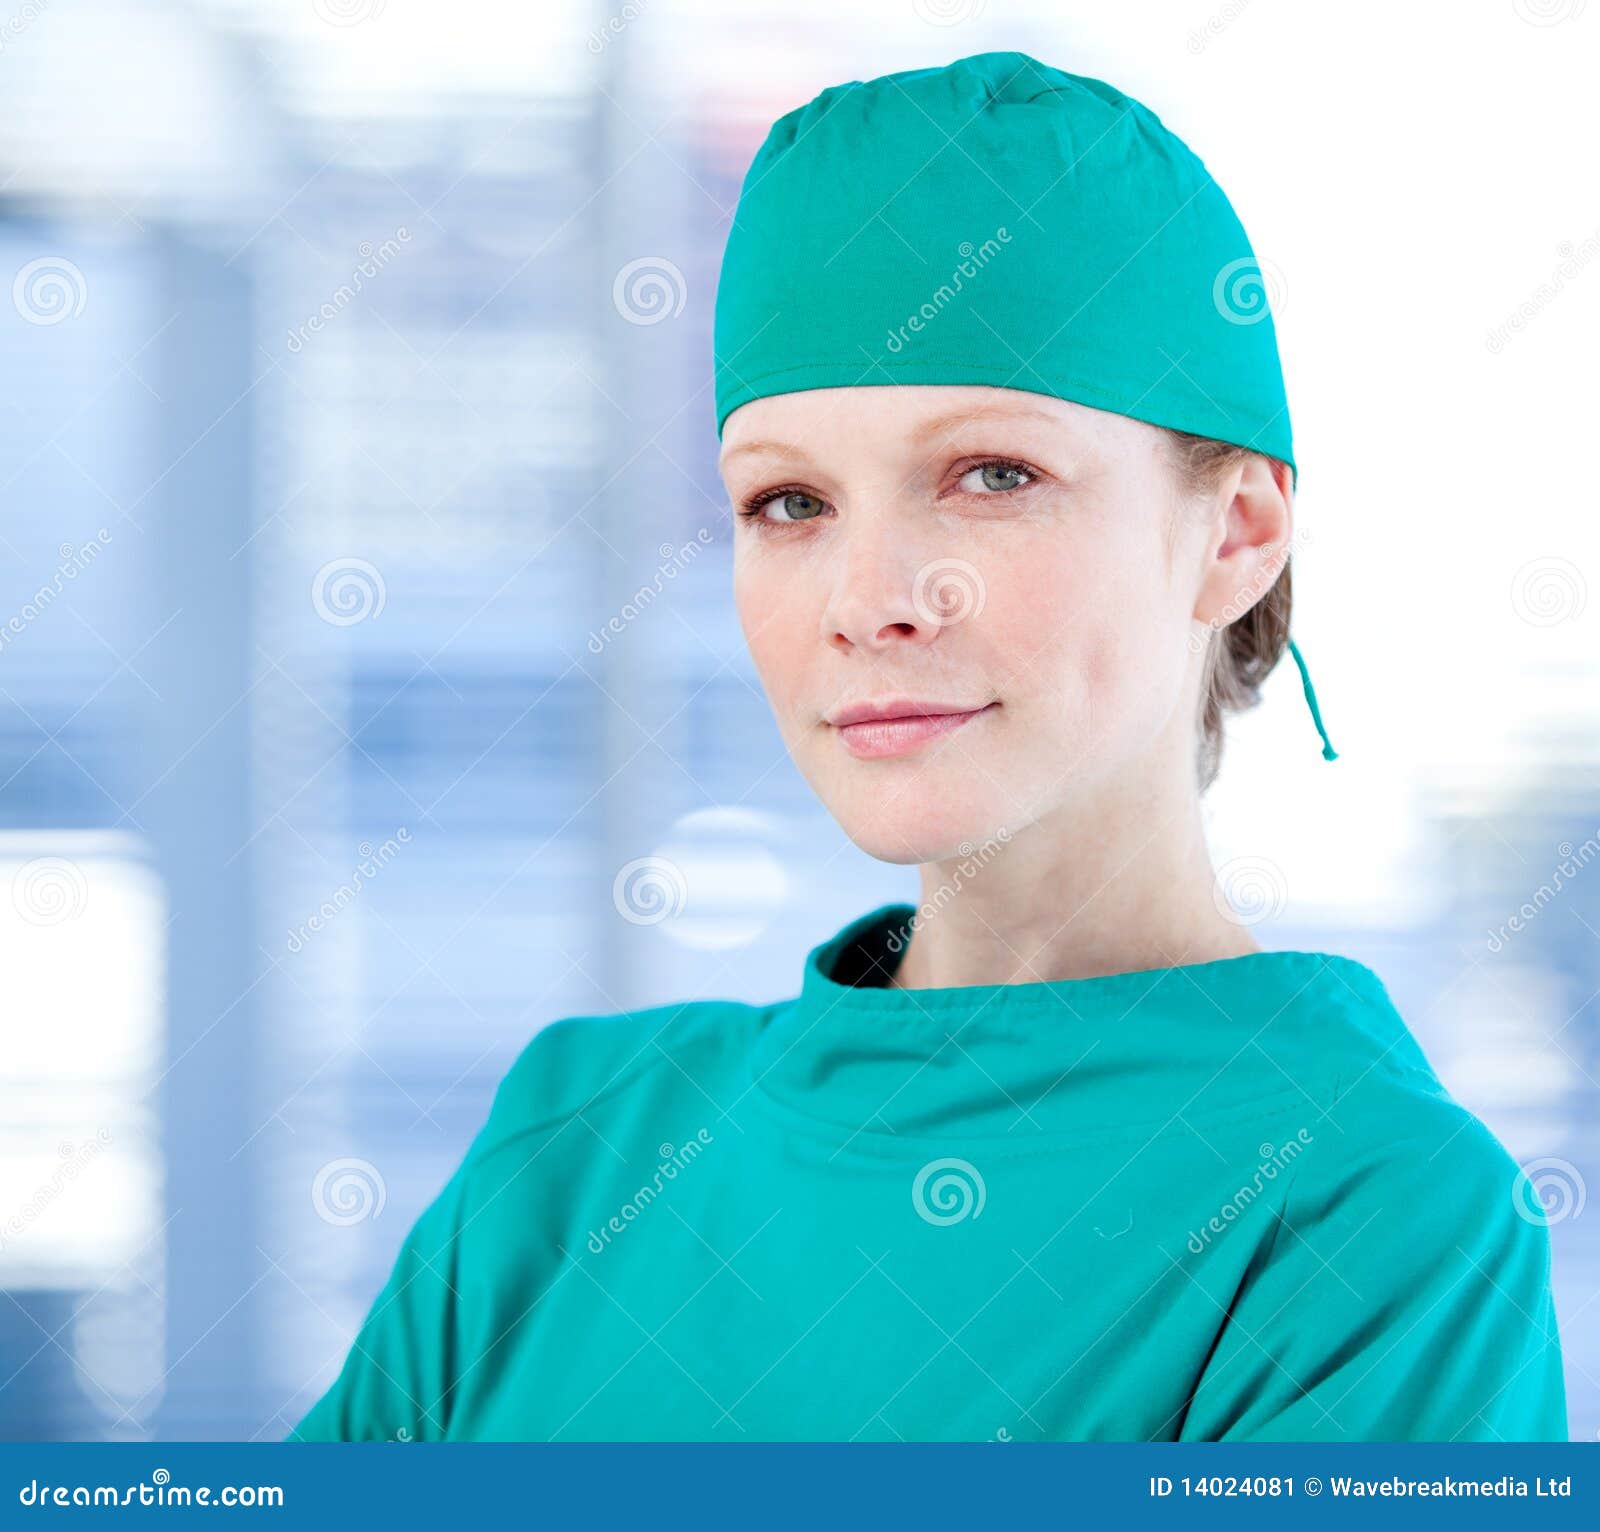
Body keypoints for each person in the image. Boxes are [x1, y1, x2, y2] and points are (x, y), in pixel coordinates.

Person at [288, 50, 1567, 1443]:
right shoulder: (573, 1154)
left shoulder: (1369, 1222)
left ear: (1237, 532)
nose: (869, 601)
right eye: (787, 503)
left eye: (992, 477)